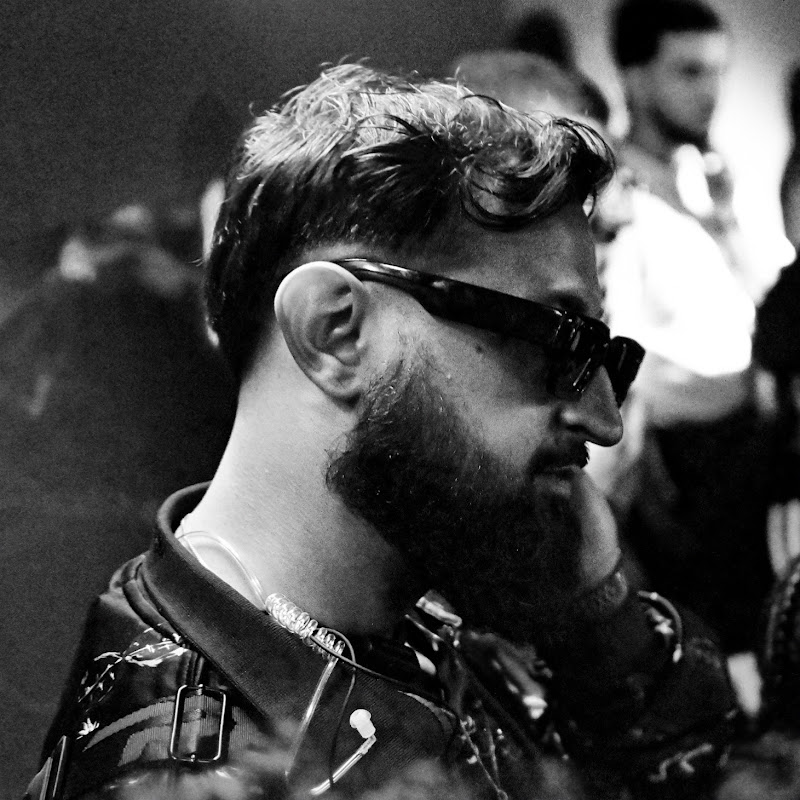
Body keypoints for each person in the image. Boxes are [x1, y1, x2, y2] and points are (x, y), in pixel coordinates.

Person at [25, 64, 737, 800]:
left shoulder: (427, 582)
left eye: (604, 358)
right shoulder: (194, 775)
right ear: (335, 333)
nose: (605, 421)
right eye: (557, 342)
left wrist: (598, 622)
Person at [605, 0, 777, 659]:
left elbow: (768, 305)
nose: (710, 93)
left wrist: (726, 221)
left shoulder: (709, 176)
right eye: (689, 72)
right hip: (682, 468)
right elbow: (625, 351)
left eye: (718, 73)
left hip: (745, 449)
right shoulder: (616, 197)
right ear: (635, 76)